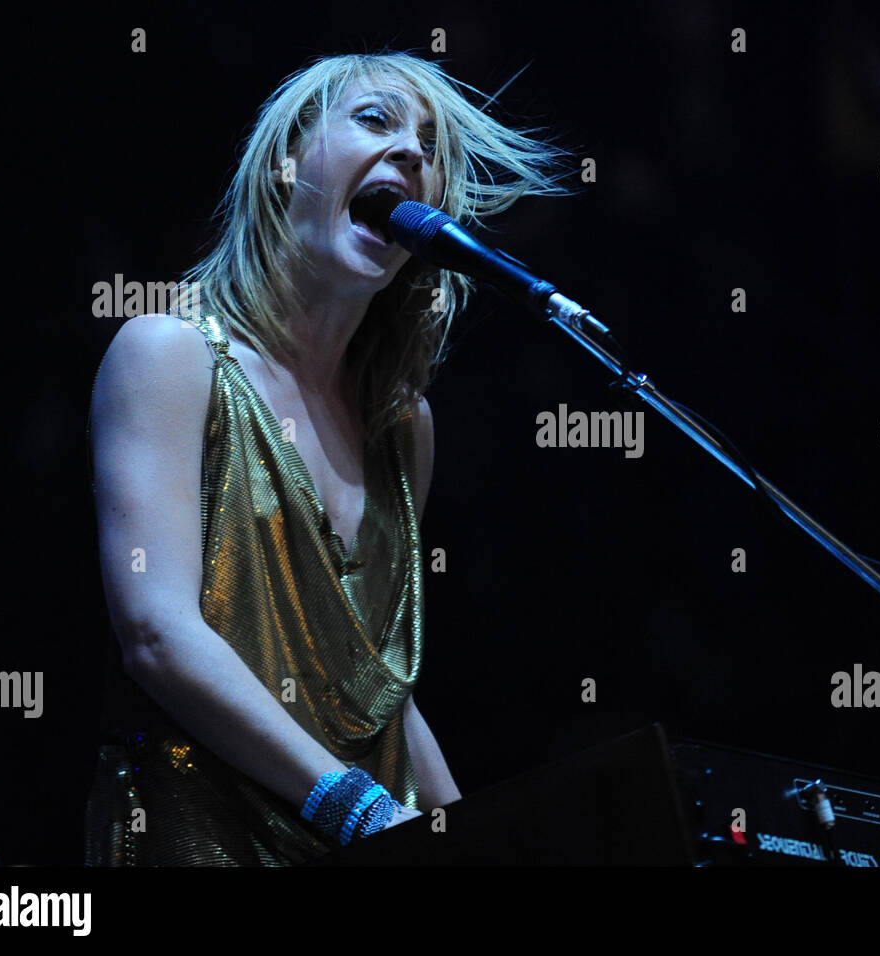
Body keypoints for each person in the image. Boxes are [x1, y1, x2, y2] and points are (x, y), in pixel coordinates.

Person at [84, 51, 570, 865]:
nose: (414, 153)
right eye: (376, 121)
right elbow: (158, 633)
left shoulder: (401, 426)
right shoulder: (169, 357)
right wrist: (352, 807)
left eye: (430, 147)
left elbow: (381, 697)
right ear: (285, 166)